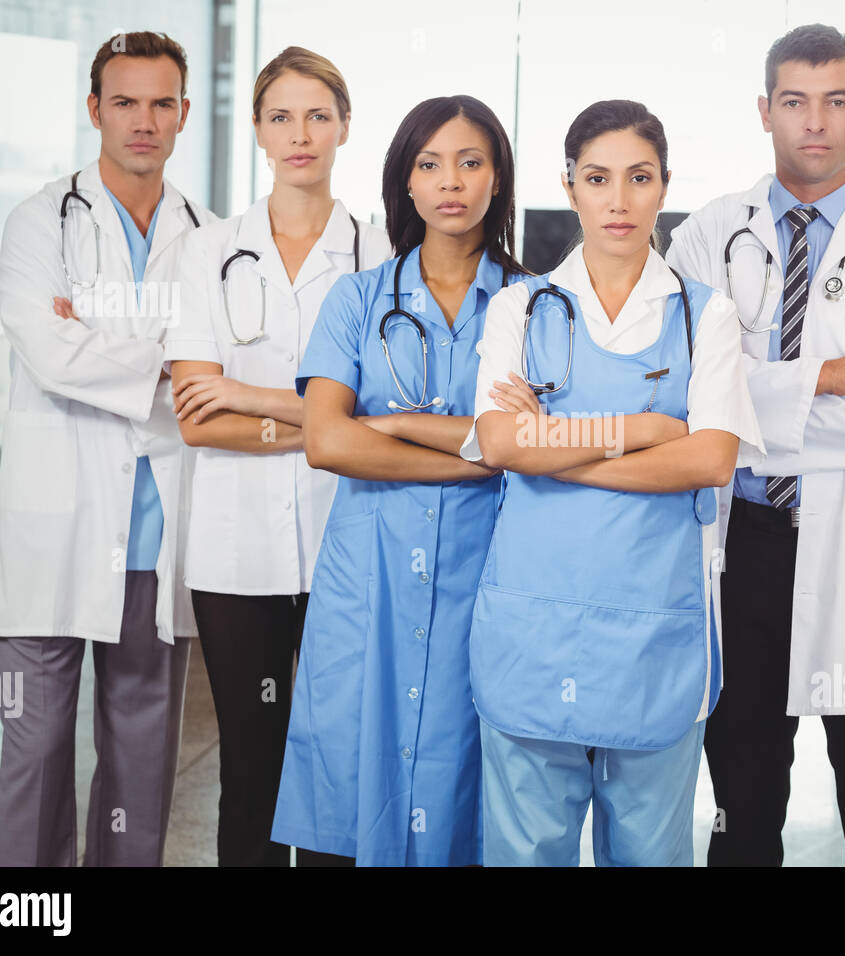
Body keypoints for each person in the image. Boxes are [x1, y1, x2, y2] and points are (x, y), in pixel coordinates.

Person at [666, 24, 845, 866]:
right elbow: (686, 403)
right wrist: (835, 375)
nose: (816, 122)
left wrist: (750, 403)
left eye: (836, 101)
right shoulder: (705, 237)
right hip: (741, 550)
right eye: (795, 102)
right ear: (765, 111)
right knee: (743, 809)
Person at [465, 99, 764, 867]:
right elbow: (501, 441)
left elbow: (710, 460)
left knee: (650, 855)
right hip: (533, 634)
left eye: (638, 177)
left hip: (652, 639)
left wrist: (557, 445)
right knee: (525, 852)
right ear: (569, 186)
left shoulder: (707, 317)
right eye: (598, 178)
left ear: (664, 185)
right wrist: (642, 426)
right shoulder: (521, 307)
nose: (619, 199)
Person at [0, 31, 213, 866]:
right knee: (34, 754)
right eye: (124, 101)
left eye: (160, 103)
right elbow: (48, 351)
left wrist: (102, 342)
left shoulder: (209, 238)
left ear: (183, 114)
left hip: (154, 537)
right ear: (94, 111)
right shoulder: (40, 220)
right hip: (53, 529)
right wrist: (163, 365)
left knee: (143, 762)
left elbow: (209, 374)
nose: (142, 121)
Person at [270, 95, 526, 866]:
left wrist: (392, 425)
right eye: (429, 163)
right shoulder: (355, 300)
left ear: (496, 181)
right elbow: (324, 442)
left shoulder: (534, 308)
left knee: (468, 790)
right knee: (351, 778)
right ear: (405, 184)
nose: (451, 181)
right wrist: (475, 457)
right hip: (369, 580)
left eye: (471, 162)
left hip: (485, 578)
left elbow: (535, 446)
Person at [165, 47, 391, 867]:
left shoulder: (381, 255)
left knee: (339, 765)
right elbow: (195, 417)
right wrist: (332, 424)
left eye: (318, 115)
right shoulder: (207, 250)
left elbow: (398, 415)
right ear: (258, 129)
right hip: (236, 554)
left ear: (344, 127)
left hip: (349, 542)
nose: (301, 134)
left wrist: (255, 398)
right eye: (281, 116)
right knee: (251, 766)